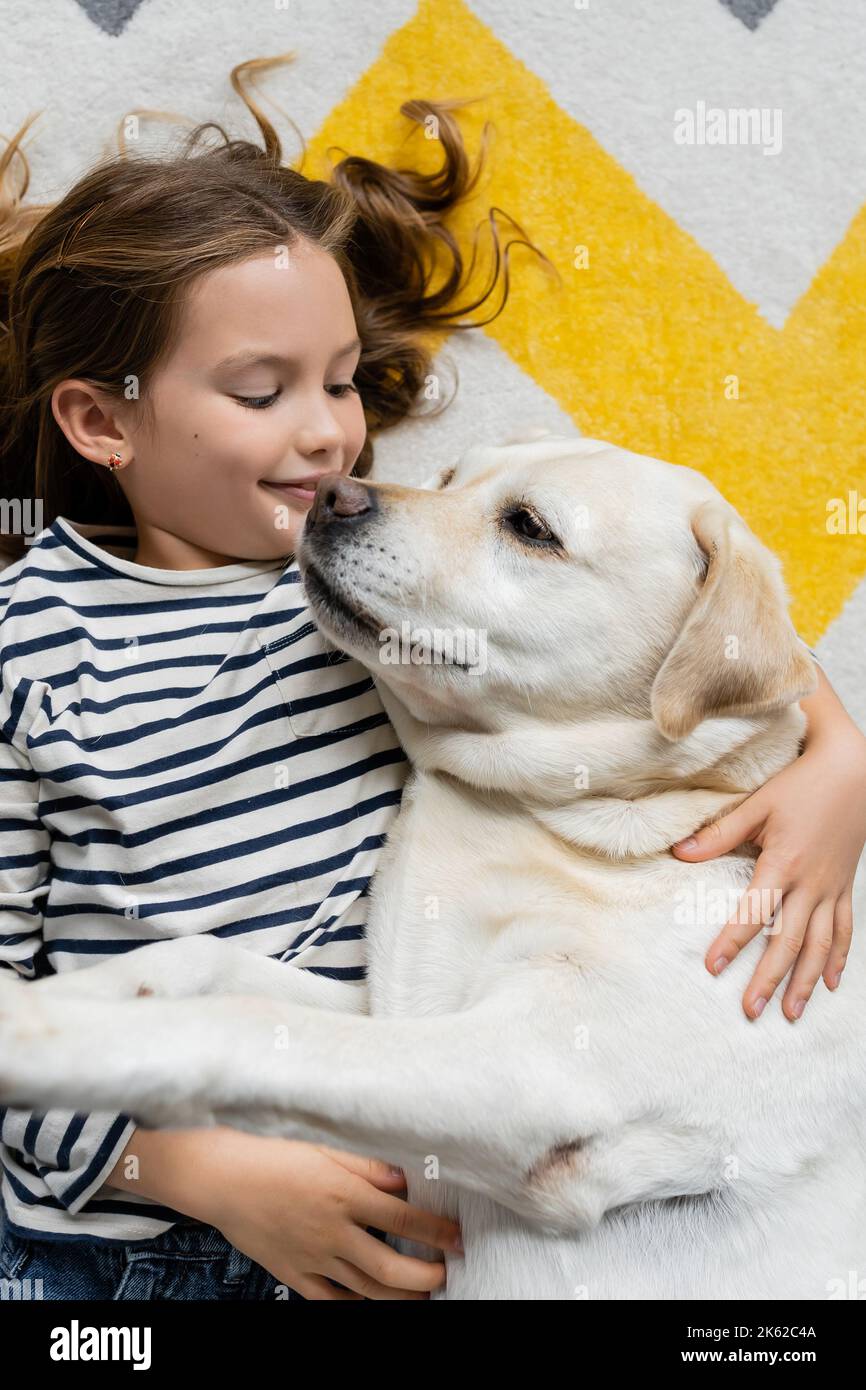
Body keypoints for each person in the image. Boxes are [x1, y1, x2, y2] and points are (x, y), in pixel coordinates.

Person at [1, 54, 865, 1302]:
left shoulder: (381, 579)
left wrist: (835, 758)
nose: (330, 440)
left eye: (342, 383)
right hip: (133, 1241)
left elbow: (655, 640)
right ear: (103, 422)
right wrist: (192, 1173)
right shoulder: (33, 645)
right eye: (262, 391)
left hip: (402, 1202)